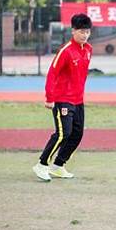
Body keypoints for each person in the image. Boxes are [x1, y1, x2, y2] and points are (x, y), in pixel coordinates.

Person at [32, 13, 93, 182]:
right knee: (62, 133)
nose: (85, 35)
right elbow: (52, 73)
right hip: (62, 100)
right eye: (81, 32)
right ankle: (42, 164)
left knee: (77, 134)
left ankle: (58, 165)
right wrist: (49, 98)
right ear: (73, 31)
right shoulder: (65, 51)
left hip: (78, 101)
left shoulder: (88, 50)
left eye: (87, 32)